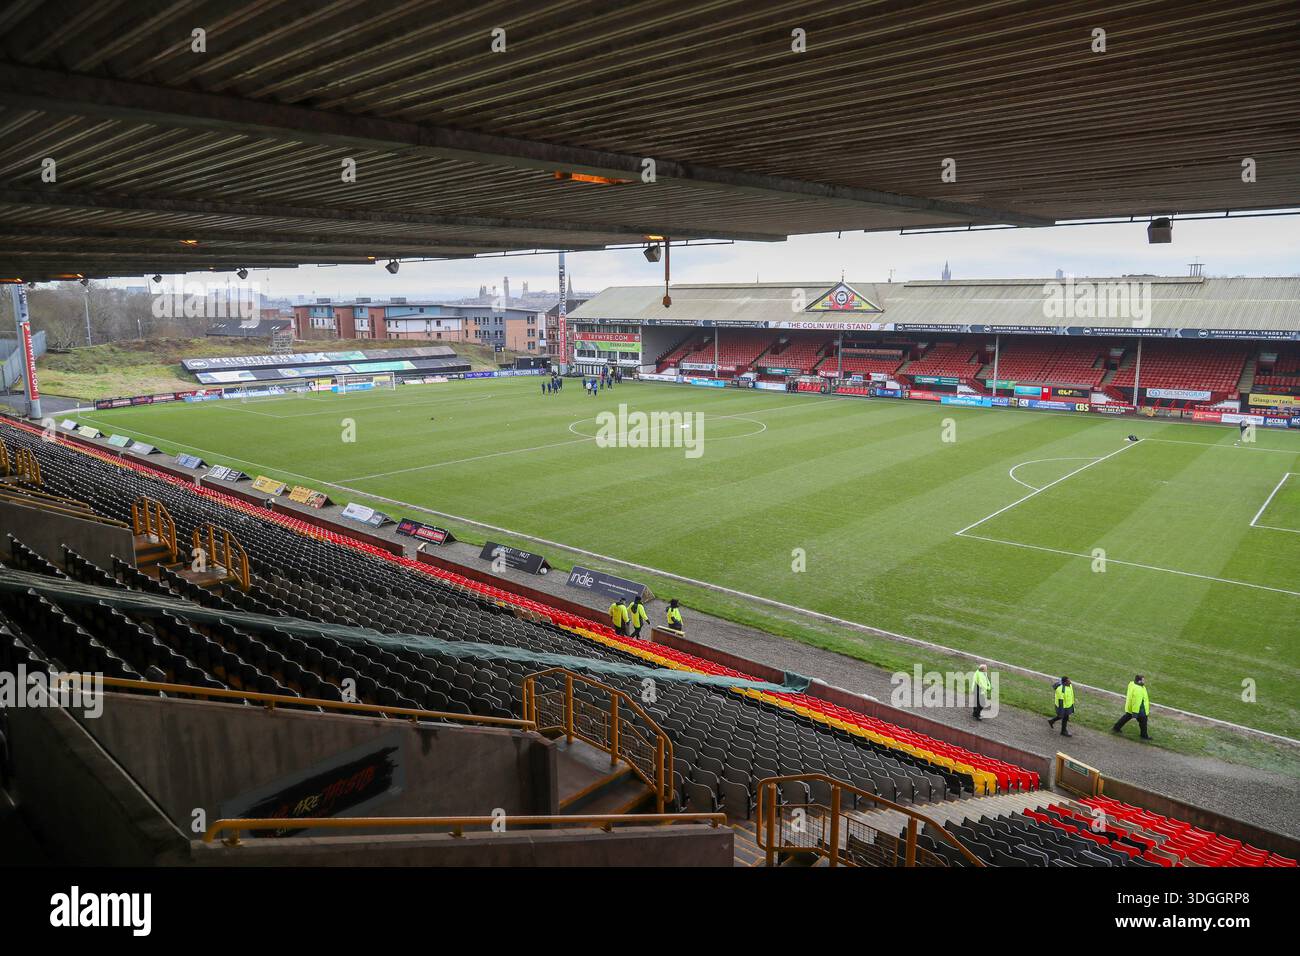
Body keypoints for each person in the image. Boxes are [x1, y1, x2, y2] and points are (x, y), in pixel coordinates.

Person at [1112, 674, 1152, 740]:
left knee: (1126, 717)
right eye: (1143, 680)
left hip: (1131, 707)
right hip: (1139, 709)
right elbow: (1137, 702)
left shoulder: (1132, 684)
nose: (1144, 681)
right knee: (1143, 721)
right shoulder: (1138, 690)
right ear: (1139, 681)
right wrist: (1135, 713)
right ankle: (1144, 735)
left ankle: (1116, 727)